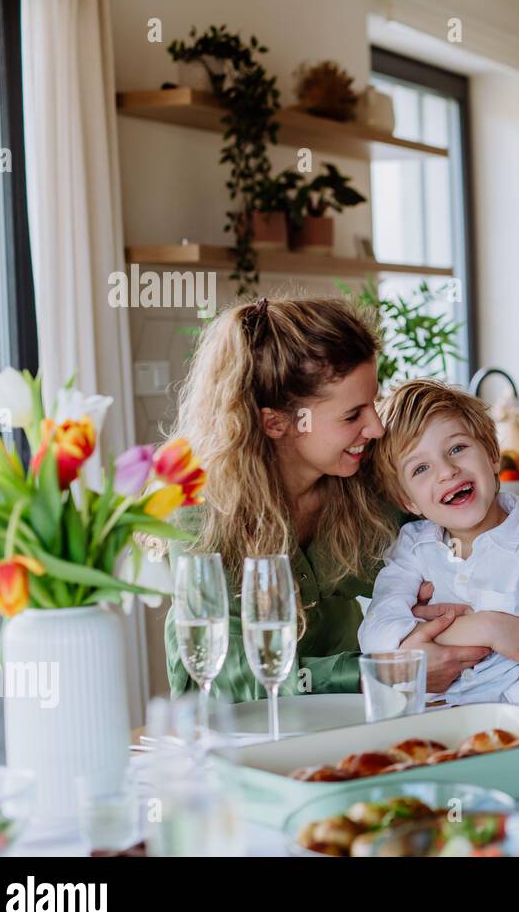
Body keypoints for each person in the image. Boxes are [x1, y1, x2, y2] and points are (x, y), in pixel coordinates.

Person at [163, 298, 487, 702]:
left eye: (374, 402)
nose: (376, 427)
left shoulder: (363, 476)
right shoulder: (199, 504)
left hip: (349, 721)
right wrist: (383, 673)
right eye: (352, 415)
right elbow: (231, 672)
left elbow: (443, 570)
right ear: (276, 422)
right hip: (238, 733)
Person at [360, 379, 519, 705]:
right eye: (421, 468)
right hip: (423, 729)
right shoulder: (413, 547)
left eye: (457, 449)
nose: (447, 471)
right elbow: (375, 635)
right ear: (407, 501)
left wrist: (495, 726)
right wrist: (487, 628)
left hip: (507, 733)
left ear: (493, 456)